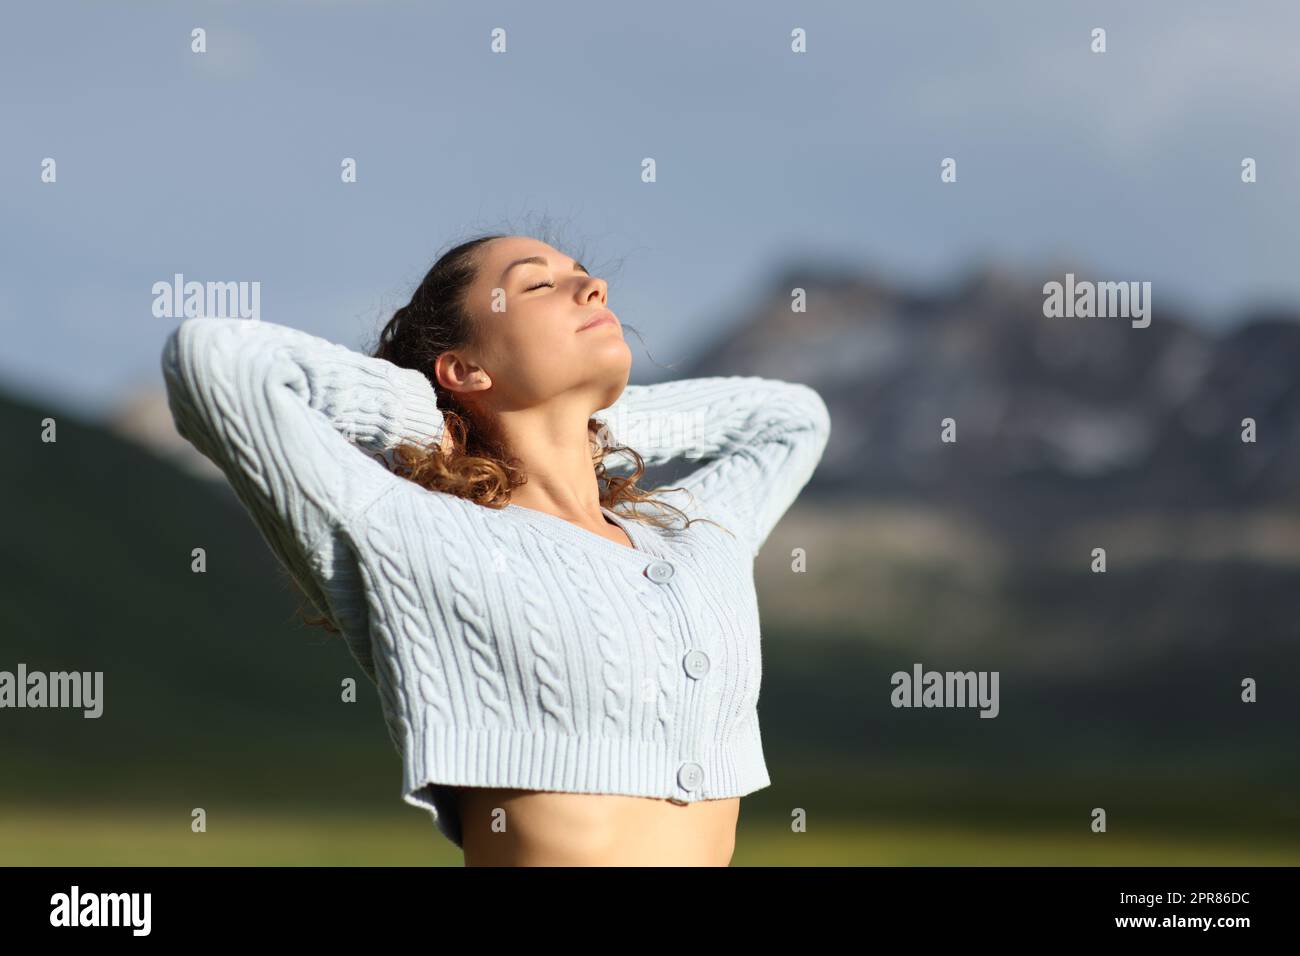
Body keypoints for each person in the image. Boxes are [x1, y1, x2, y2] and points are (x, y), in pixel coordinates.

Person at [160, 233, 831, 865]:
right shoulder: (413, 533)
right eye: (538, 286)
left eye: (584, 277)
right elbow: (214, 361)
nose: (594, 287)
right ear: (464, 366)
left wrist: (579, 420)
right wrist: (431, 409)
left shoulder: (695, 537)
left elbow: (792, 421)